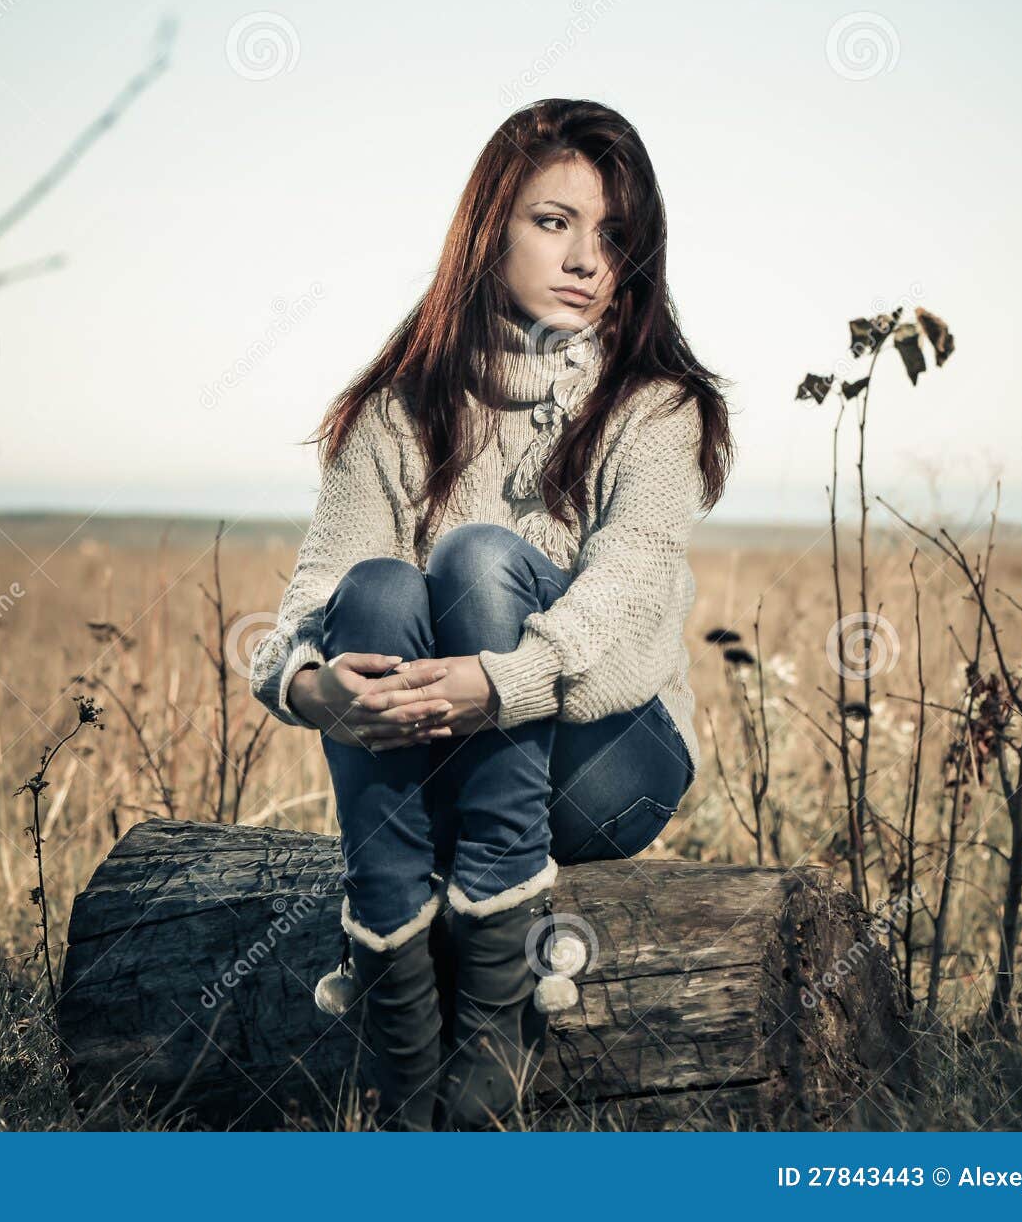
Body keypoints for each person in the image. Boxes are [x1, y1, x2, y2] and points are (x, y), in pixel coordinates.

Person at [248, 97, 733, 1130]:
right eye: (553, 222)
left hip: (608, 763)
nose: (587, 259)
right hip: (448, 765)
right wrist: (306, 686)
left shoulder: (654, 404)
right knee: (371, 592)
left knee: (474, 560)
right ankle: (401, 1009)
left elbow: (624, 593)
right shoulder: (397, 408)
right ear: (489, 227)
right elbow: (311, 595)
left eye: (614, 235)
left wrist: (499, 679)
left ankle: (501, 993)